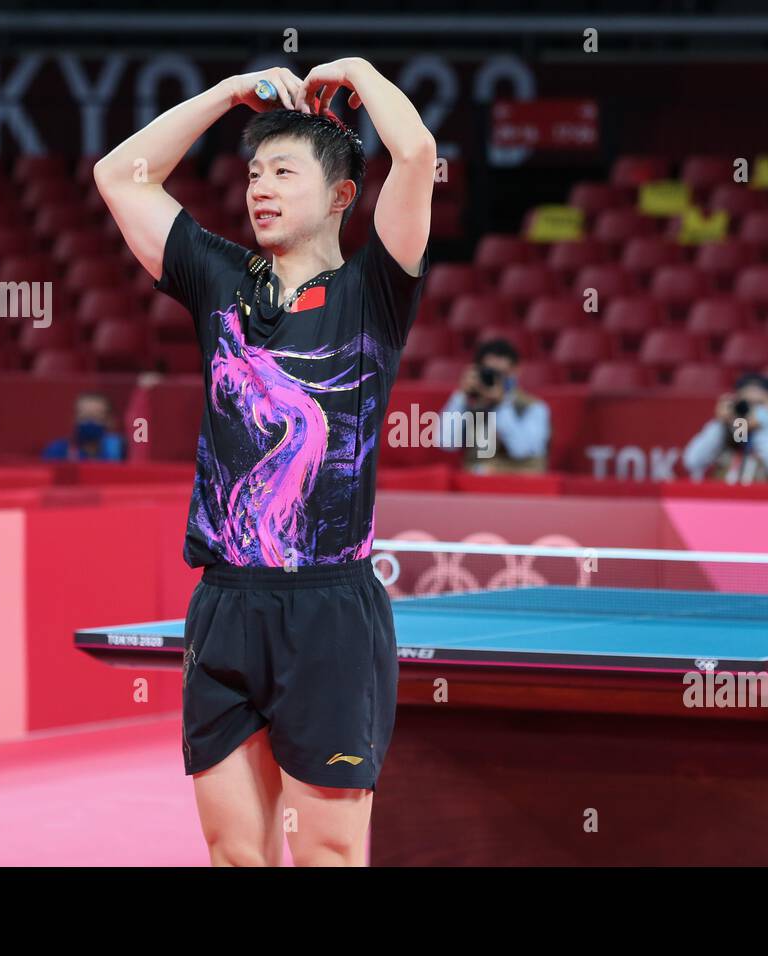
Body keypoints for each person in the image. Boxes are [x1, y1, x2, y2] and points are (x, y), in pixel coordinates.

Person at [94, 60, 434, 866]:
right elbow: (120, 175)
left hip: (330, 613)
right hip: (226, 606)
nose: (261, 187)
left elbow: (415, 153)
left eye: (285, 170)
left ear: (342, 195)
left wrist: (357, 72)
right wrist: (222, 97)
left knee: (327, 854)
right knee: (236, 854)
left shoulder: (374, 292)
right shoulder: (221, 281)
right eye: (253, 172)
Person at [438, 338, 550, 473]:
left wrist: (501, 403)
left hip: (518, 484)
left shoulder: (534, 407)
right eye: (490, 373)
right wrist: (461, 395)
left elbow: (521, 449)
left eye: (502, 374)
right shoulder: (471, 406)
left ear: (516, 370)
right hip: (475, 484)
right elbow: (445, 443)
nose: (497, 380)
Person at [682, 372, 768, 482]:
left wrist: (761, 428)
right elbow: (692, 462)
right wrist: (721, 423)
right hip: (727, 501)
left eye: (759, 403)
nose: (753, 409)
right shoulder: (732, 428)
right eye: (747, 404)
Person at [42, 392, 126, 461]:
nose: (90, 422)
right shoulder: (58, 450)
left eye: (97, 416)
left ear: (110, 421)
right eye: (84, 416)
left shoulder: (121, 449)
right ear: (74, 419)